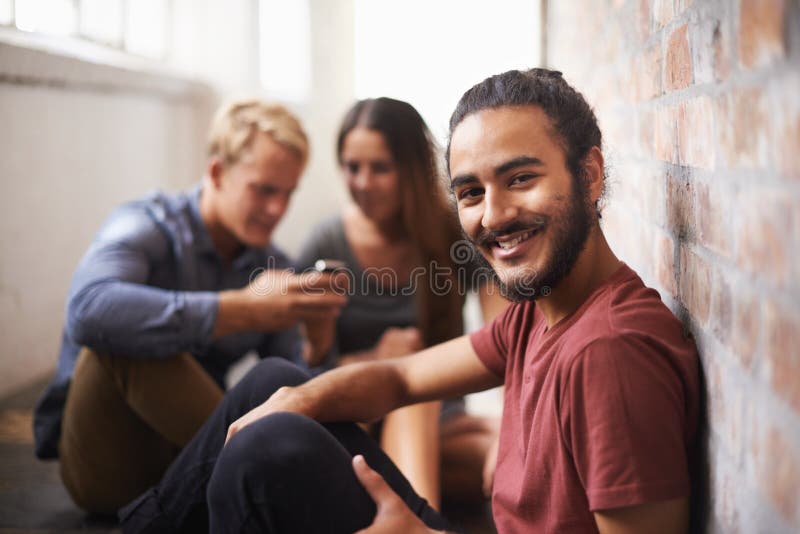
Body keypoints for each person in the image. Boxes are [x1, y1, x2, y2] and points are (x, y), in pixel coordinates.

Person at [120, 69, 700, 534]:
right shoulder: (540, 314)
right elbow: (399, 379)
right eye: (471, 191)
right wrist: (299, 396)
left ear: (590, 175)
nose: (492, 215)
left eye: (520, 178)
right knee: (271, 386)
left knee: (262, 452)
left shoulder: (612, 353)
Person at [32, 99, 347, 516]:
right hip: (108, 466)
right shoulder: (148, 223)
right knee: (121, 335)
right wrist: (243, 308)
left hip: (191, 461)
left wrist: (317, 346)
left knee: (277, 385)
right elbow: (89, 309)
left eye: (288, 193)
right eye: (264, 189)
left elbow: (295, 391)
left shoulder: (271, 263)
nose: (278, 209)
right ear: (217, 172)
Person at [296, 97, 506, 508]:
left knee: (507, 448)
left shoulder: (451, 234)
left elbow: (508, 340)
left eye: (380, 168)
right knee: (425, 402)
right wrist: (378, 359)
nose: (362, 182)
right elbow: (302, 373)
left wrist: (512, 429)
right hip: (355, 420)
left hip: (441, 421)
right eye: (352, 167)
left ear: (410, 169)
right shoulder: (326, 242)